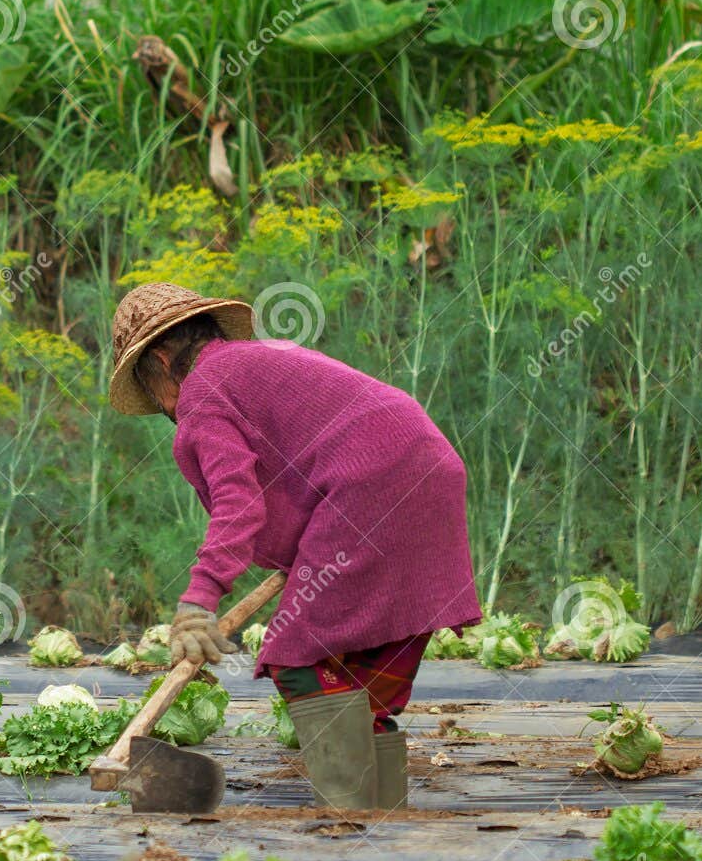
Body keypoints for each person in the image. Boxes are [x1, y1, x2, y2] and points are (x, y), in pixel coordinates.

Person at [108, 282, 481, 810]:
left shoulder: (203, 391)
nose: (163, 409)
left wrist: (200, 599)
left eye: (153, 391)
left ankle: (349, 816)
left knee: (299, 659)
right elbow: (314, 453)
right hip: (429, 468)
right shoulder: (258, 362)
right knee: (355, 671)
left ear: (162, 360)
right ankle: (384, 822)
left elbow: (239, 501)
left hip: (370, 487)